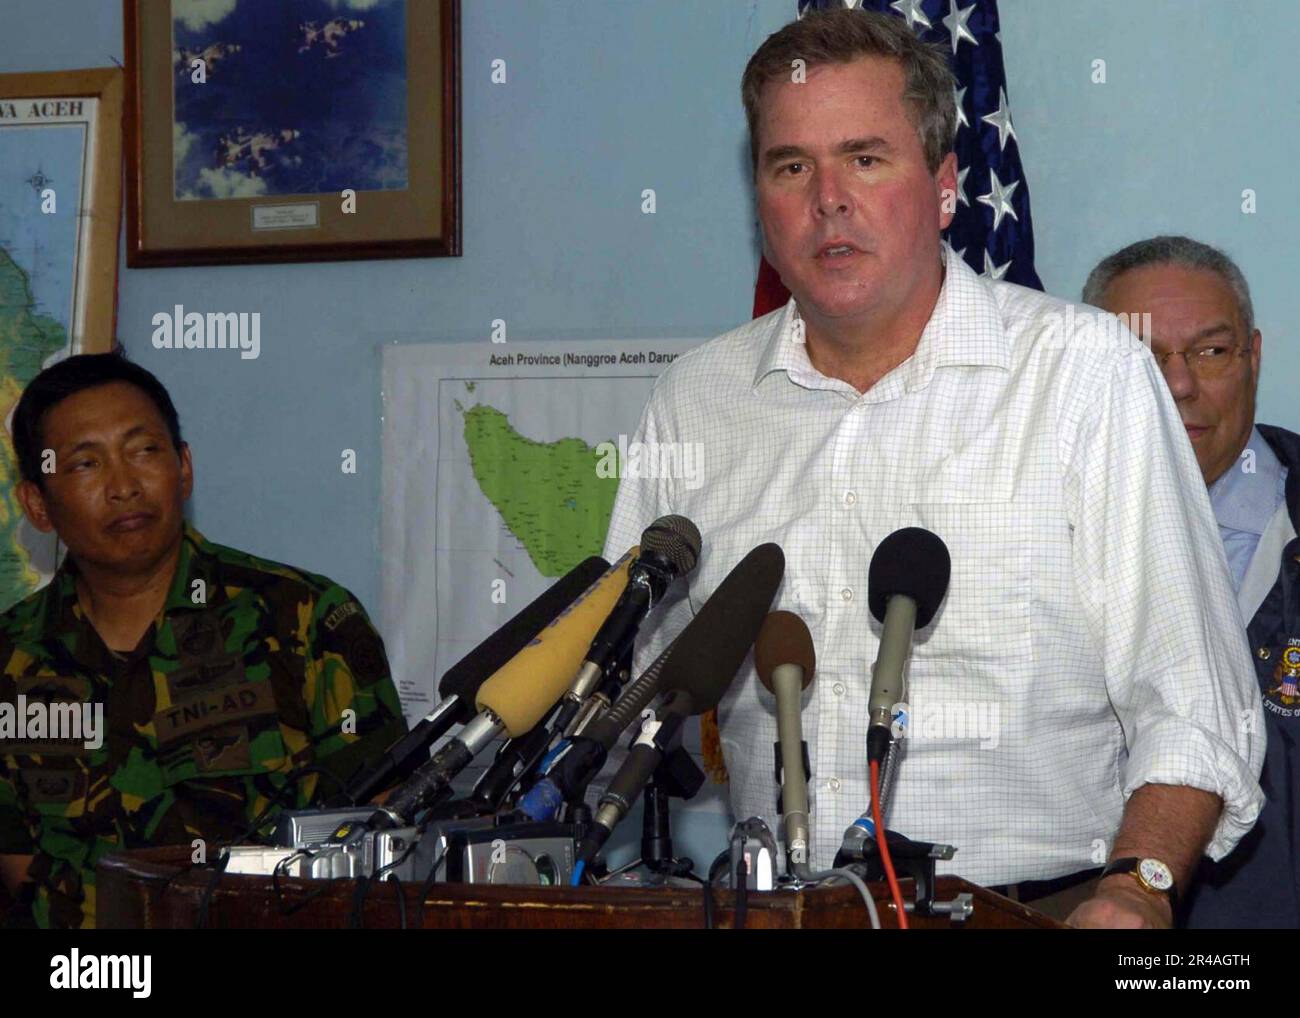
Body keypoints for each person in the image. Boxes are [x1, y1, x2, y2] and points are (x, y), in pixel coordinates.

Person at [601, 8, 1263, 928]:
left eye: (865, 158)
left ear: (946, 187)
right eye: (792, 166)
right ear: (760, 197)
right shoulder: (695, 399)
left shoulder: (1083, 374)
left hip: (1040, 909)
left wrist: (1139, 888)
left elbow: (1194, 698)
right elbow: (632, 693)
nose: (828, 197)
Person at [0, 353, 407, 928]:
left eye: (144, 451)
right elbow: (18, 862)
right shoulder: (12, 657)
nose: (123, 486)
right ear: (37, 504)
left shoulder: (305, 620)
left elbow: (384, 830)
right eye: (85, 464)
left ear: (184, 468)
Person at [1086, 235, 1298, 927]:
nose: (1179, 386)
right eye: (1143, 358)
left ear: (1254, 357)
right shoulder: (1034, 545)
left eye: (1210, 351)